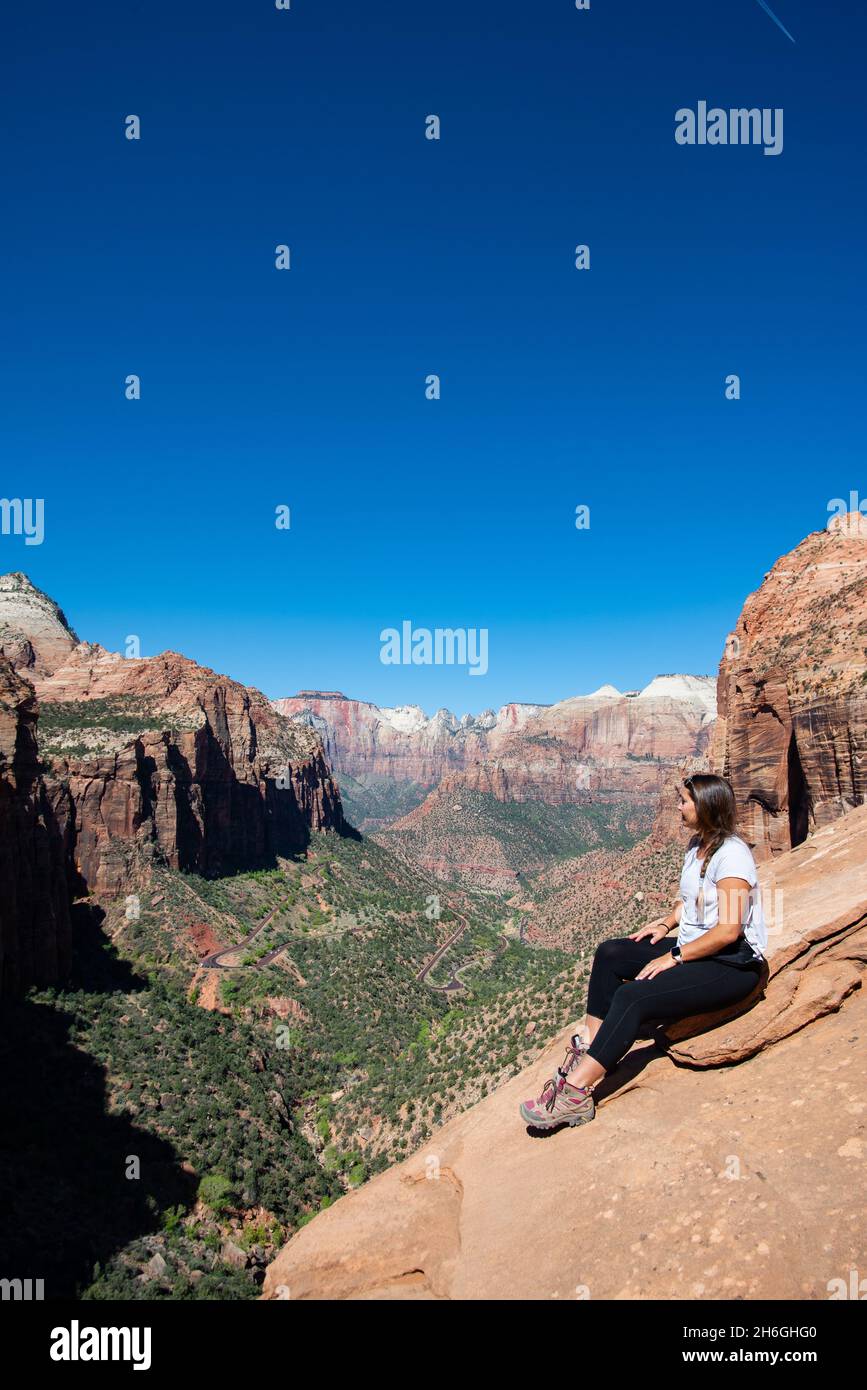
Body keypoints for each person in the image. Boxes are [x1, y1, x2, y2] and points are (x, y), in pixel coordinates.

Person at [519, 773, 767, 1130]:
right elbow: (692, 902)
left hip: (731, 964)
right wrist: (666, 924)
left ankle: (574, 1094)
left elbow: (729, 931)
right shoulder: (697, 846)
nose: (678, 807)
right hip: (695, 947)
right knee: (610, 954)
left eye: (684, 801)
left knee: (632, 996)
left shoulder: (732, 856)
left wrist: (674, 957)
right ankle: (593, 1047)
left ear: (706, 806)